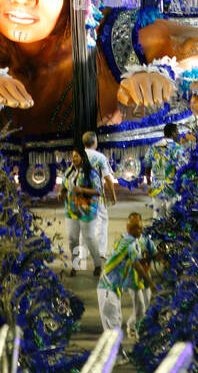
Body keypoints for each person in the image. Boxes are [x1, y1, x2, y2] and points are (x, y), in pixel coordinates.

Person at [96, 211, 154, 341]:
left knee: (113, 329)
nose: (139, 230)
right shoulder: (131, 244)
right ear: (128, 228)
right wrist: (152, 285)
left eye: (140, 227)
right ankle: (117, 355)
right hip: (108, 290)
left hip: (110, 289)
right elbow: (137, 265)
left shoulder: (123, 238)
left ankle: (115, 355)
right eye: (135, 228)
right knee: (114, 328)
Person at [60, 146, 102, 275]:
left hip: (87, 210)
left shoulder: (91, 173)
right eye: (72, 156)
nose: (74, 159)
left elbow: (98, 190)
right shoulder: (68, 172)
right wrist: (61, 192)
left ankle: (97, 264)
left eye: (76, 156)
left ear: (83, 158)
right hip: (71, 210)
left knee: (88, 237)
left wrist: (82, 190)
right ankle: (76, 266)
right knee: (72, 239)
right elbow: (64, 186)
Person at [82, 130, 117, 259]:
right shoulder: (100, 157)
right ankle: (100, 252)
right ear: (94, 142)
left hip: (81, 196)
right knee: (101, 222)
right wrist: (113, 196)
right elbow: (108, 179)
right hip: (97, 196)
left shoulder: (78, 156)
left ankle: (82, 253)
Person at [150, 122, 188, 211]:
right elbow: (182, 168)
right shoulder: (177, 148)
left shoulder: (153, 147)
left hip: (157, 188)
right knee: (172, 218)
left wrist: (148, 182)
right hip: (172, 189)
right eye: (177, 131)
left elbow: (147, 165)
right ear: (172, 133)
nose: (178, 133)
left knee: (157, 217)